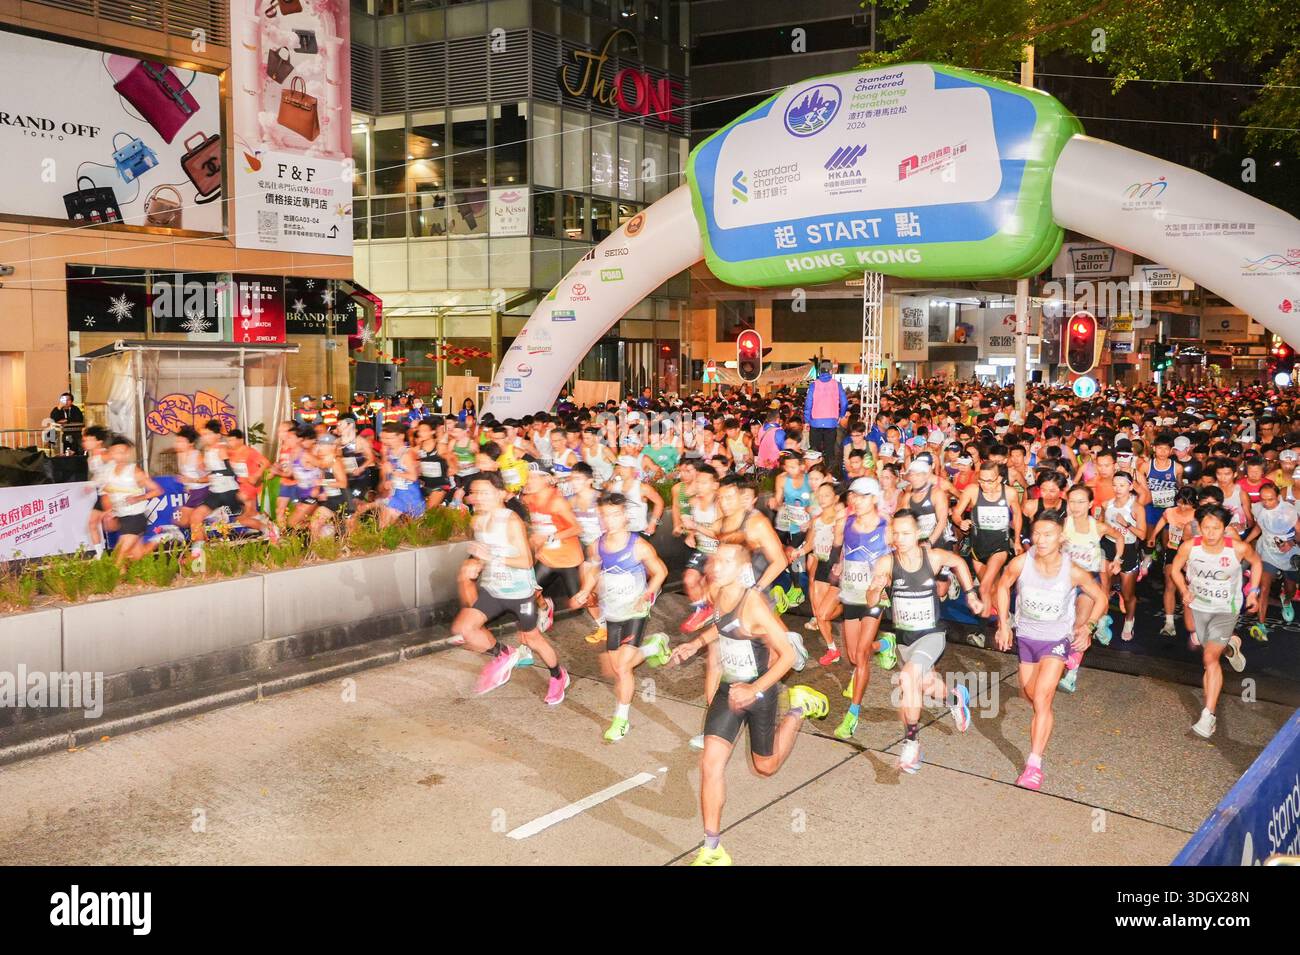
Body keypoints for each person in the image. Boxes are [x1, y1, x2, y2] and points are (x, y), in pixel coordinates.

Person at [667, 542, 829, 866]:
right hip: (731, 688)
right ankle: (712, 848)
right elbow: (721, 625)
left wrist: (754, 688)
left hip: (760, 690)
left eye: (725, 560)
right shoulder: (716, 590)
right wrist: (695, 644)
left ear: (741, 568)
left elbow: (788, 656)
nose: (716, 563)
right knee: (710, 763)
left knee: (765, 767)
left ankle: (799, 707)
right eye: (717, 558)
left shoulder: (753, 603)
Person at [995, 511, 1108, 791]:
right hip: (1027, 638)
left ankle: (1034, 765)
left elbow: (1101, 597)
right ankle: (1067, 662)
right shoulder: (1021, 563)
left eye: (1048, 534)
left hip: (1057, 638)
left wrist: (1088, 627)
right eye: (1037, 534)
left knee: (1043, 698)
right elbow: (1002, 586)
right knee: (1030, 694)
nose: (1041, 540)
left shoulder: (1072, 570)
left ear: (1061, 537)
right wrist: (1003, 624)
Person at [864, 509, 983, 772]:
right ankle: (954, 699)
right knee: (926, 684)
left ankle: (911, 743)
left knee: (908, 679)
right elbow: (870, 600)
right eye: (896, 533)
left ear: (918, 534)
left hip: (932, 635)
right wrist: (876, 588)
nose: (901, 538)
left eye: (906, 533)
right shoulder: (886, 563)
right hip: (906, 639)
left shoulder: (932, 557)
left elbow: (959, 563)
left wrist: (971, 594)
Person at [452, 471, 569, 704]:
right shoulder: (479, 520)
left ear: (500, 494)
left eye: (484, 492)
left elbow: (525, 562)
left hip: (519, 593)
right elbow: (484, 553)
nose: (478, 497)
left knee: (532, 639)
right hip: (493, 588)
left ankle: (558, 675)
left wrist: (491, 557)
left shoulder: (511, 521)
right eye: (475, 492)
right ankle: (503, 654)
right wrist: (476, 563)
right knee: (465, 629)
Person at [573, 492, 670, 742]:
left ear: (625, 516)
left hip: (635, 611)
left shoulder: (638, 546)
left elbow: (661, 571)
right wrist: (585, 591)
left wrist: (647, 593)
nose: (610, 520)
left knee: (623, 667)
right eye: (605, 515)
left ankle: (621, 720)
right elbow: (594, 570)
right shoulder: (597, 544)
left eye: (615, 514)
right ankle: (653, 647)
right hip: (613, 612)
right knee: (618, 667)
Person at [1168, 504, 1259, 739]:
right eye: (1205, 527)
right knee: (1209, 652)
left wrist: (1253, 592)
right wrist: (1184, 589)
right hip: (1199, 607)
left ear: (1224, 528)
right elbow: (1175, 570)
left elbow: (1257, 563)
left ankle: (1208, 715)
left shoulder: (1237, 548)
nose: (1210, 533)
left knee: (1209, 658)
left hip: (1225, 610)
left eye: (1216, 528)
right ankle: (1231, 645)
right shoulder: (1190, 547)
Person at [832, 476, 894, 741]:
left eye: (862, 495)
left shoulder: (887, 528)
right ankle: (885, 646)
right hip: (851, 595)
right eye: (853, 496)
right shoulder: (846, 523)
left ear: (874, 498)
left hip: (874, 597)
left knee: (860, 656)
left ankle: (852, 714)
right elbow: (847, 551)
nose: (855, 500)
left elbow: (898, 558)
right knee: (855, 657)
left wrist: (886, 580)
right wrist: (839, 564)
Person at [1246, 481, 1300, 638]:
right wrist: (1246, 541)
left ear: (1278, 497)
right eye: (1263, 499)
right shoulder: (1258, 508)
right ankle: (1261, 625)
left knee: (1290, 588)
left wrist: (1291, 543)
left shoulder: (1289, 511)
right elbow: (1259, 526)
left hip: (1290, 553)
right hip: (1267, 552)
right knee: (1264, 588)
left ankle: (1287, 600)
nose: (1267, 503)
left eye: (1270, 499)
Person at [100, 436, 164, 569]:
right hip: (122, 518)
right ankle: (160, 539)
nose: (120, 456)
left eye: (123, 452)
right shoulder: (108, 472)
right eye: (117, 452)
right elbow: (105, 493)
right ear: (111, 453)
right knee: (137, 555)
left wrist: (138, 498)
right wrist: (108, 511)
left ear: (128, 453)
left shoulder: (134, 471)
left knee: (119, 555)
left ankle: (114, 585)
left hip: (136, 518)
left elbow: (157, 490)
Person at [805, 366, 847, 471]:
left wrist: (807, 421)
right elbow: (845, 402)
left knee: (814, 451)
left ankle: (814, 472)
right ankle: (829, 473)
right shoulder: (837, 384)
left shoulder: (814, 384)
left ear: (820, 372)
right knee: (830, 451)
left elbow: (808, 404)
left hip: (815, 423)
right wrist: (841, 415)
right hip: (831, 423)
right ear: (831, 371)